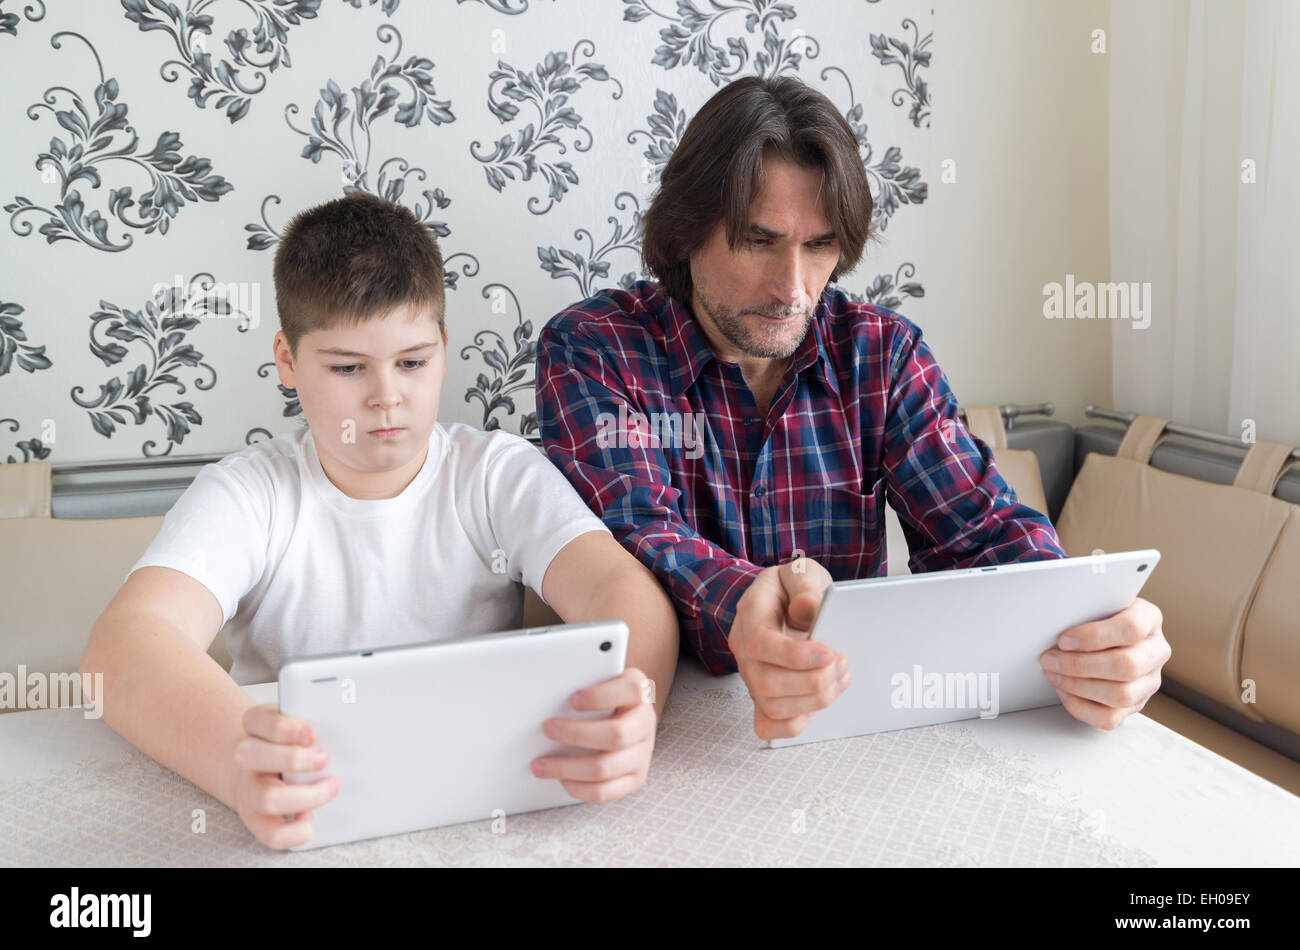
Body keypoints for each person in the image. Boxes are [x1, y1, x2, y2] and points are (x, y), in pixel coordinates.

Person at [536, 75, 1170, 742]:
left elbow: (981, 530)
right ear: (687, 231)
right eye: (759, 240)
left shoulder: (881, 355)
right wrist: (747, 601)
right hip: (671, 731)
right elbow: (641, 532)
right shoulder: (594, 350)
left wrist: (1091, 624)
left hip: (848, 725)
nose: (792, 289)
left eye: (819, 246)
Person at [81, 193, 678, 850]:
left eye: (413, 361)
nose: (387, 396)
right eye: (347, 367)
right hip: (312, 814)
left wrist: (635, 702)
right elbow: (123, 646)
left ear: (445, 346)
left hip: (482, 817)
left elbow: (622, 595)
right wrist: (232, 754)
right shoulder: (250, 492)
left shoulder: (494, 471)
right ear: (286, 358)